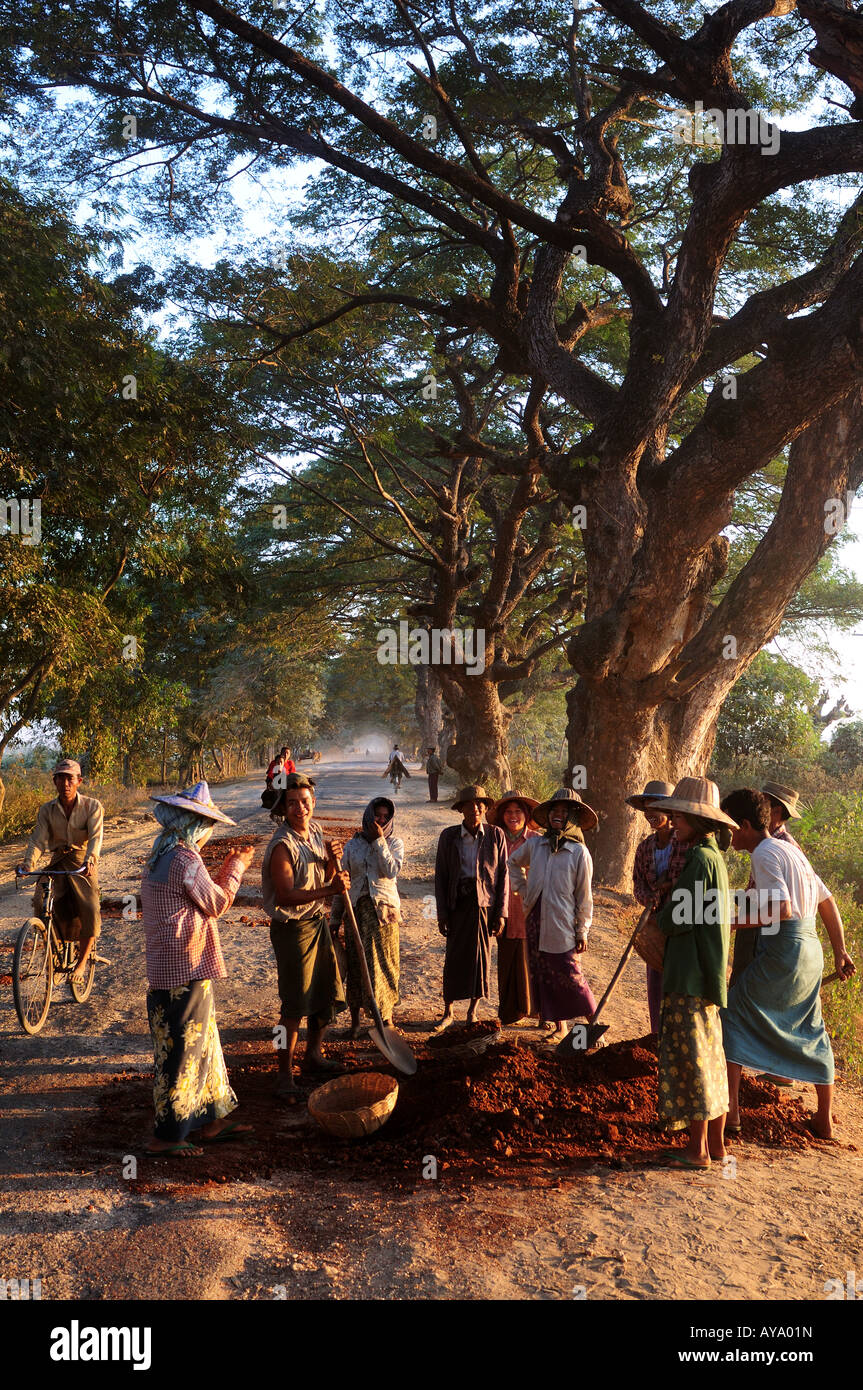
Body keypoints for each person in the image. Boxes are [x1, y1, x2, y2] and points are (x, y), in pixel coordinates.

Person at [719, 788, 855, 1141]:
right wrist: (840, 951)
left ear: (746, 825)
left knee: (732, 1013)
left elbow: (781, 910)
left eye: (731, 827)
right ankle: (823, 1119)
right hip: (811, 950)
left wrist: (728, 922)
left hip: (786, 948)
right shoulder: (792, 852)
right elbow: (827, 902)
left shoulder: (763, 853)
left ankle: (731, 1113)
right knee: (812, 1026)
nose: (729, 834)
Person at [140, 781, 255, 1156]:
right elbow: (217, 903)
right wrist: (236, 866)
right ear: (194, 825)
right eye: (205, 826)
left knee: (204, 1044)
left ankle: (211, 1119)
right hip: (184, 969)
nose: (207, 833)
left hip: (169, 968)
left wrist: (222, 868)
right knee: (183, 1052)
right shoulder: (185, 860)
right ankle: (168, 1136)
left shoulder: (161, 854)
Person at [646, 777, 736, 1169]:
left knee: (692, 1061)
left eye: (681, 816)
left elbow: (680, 917)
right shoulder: (713, 857)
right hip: (705, 973)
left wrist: (659, 920)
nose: (674, 821)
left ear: (699, 821)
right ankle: (716, 1146)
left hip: (688, 974)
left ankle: (696, 1150)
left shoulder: (699, 860)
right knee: (711, 1057)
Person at [261, 772, 349, 1099]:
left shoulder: (314, 831)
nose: (301, 808)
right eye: (293, 803)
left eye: (306, 802)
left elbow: (321, 875)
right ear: (283, 807)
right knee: (294, 1005)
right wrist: (330, 888)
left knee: (325, 990)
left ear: (313, 803)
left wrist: (332, 861)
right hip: (292, 930)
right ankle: (284, 1074)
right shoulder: (282, 845)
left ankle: (313, 1056)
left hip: (317, 923)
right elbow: (285, 895)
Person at [508, 787, 598, 1043]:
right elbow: (513, 862)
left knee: (570, 973)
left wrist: (582, 930)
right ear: (548, 816)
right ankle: (561, 1028)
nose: (558, 815)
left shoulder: (579, 853)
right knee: (545, 972)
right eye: (555, 811)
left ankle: (595, 1024)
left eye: (564, 812)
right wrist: (523, 890)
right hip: (536, 917)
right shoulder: (536, 845)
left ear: (573, 818)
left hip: (563, 923)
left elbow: (584, 897)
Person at [18, 758, 104, 986]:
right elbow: (38, 840)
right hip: (57, 862)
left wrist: (91, 861)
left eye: (70, 778)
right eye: (60, 778)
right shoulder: (47, 810)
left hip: (81, 863)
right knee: (40, 903)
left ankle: (82, 962)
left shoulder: (92, 806)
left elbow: (96, 837)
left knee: (90, 907)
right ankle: (52, 953)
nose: (65, 782)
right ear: (54, 781)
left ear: (79, 781)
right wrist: (28, 864)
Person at [434, 784, 509, 1029]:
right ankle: (448, 1011)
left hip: (484, 904)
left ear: (486, 808)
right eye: (469, 804)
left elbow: (504, 876)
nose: (475, 808)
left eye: (480, 804)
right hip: (458, 903)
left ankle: (473, 1012)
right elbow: (441, 877)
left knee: (481, 959)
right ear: (461, 809)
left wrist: (501, 914)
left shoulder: (496, 835)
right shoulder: (449, 836)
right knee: (454, 957)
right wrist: (442, 913)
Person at [331, 797, 404, 1038]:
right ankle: (355, 1022)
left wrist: (379, 841)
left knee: (384, 966)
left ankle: (386, 1020)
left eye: (385, 817)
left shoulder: (394, 843)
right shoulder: (352, 846)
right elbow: (343, 885)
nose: (380, 820)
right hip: (356, 915)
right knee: (356, 965)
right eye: (377, 816)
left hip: (384, 914)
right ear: (368, 816)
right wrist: (335, 919)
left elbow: (390, 870)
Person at [626, 780, 688, 1034]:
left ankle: (675, 1035)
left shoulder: (683, 843)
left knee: (676, 980)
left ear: (671, 811)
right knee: (655, 979)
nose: (651, 814)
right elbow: (637, 883)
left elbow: (686, 879)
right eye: (647, 808)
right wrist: (648, 896)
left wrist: (668, 886)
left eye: (657, 807)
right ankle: (656, 1034)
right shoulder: (644, 847)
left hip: (680, 921)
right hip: (654, 922)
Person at [487, 790, 539, 1025]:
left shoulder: (537, 840)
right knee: (507, 960)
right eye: (508, 811)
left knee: (534, 961)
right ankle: (510, 1012)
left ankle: (540, 1013)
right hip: (503, 909)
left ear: (526, 815)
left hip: (530, 909)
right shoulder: (495, 839)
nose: (513, 816)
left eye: (518, 811)